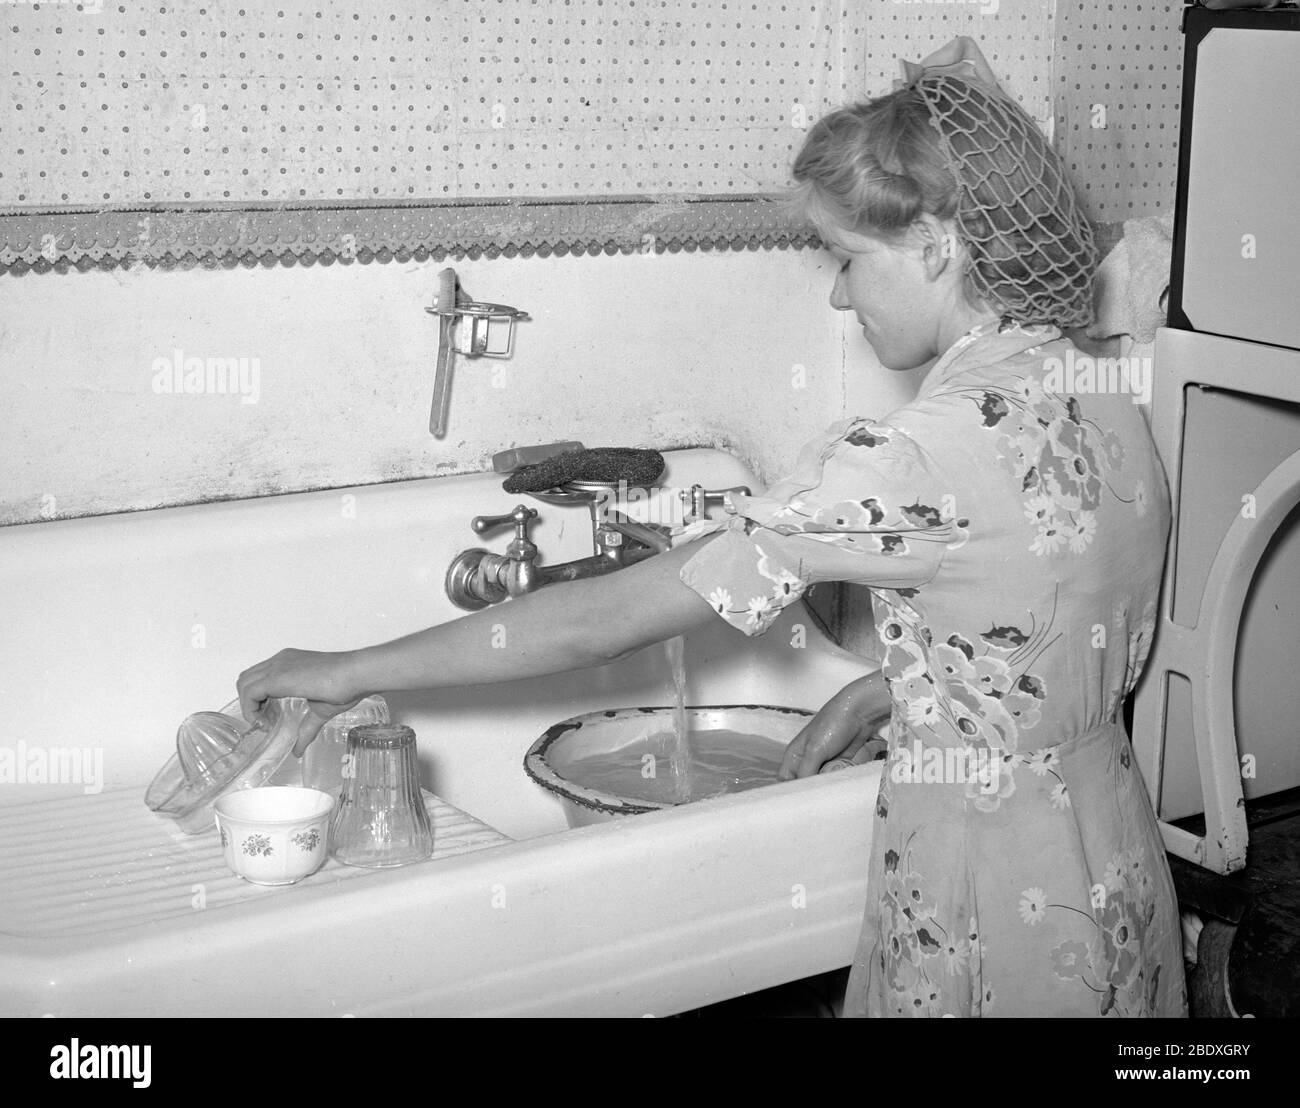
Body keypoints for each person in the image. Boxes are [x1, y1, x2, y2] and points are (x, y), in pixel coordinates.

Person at [238, 39, 1186, 1017]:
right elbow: (1038, 614)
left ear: (938, 244)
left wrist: (344, 668)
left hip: (980, 897)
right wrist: (888, 690)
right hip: (1106, 863)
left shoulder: (907, 464)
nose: (836, 293)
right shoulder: (1090, 385)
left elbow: (592, 623)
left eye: (847, 259)